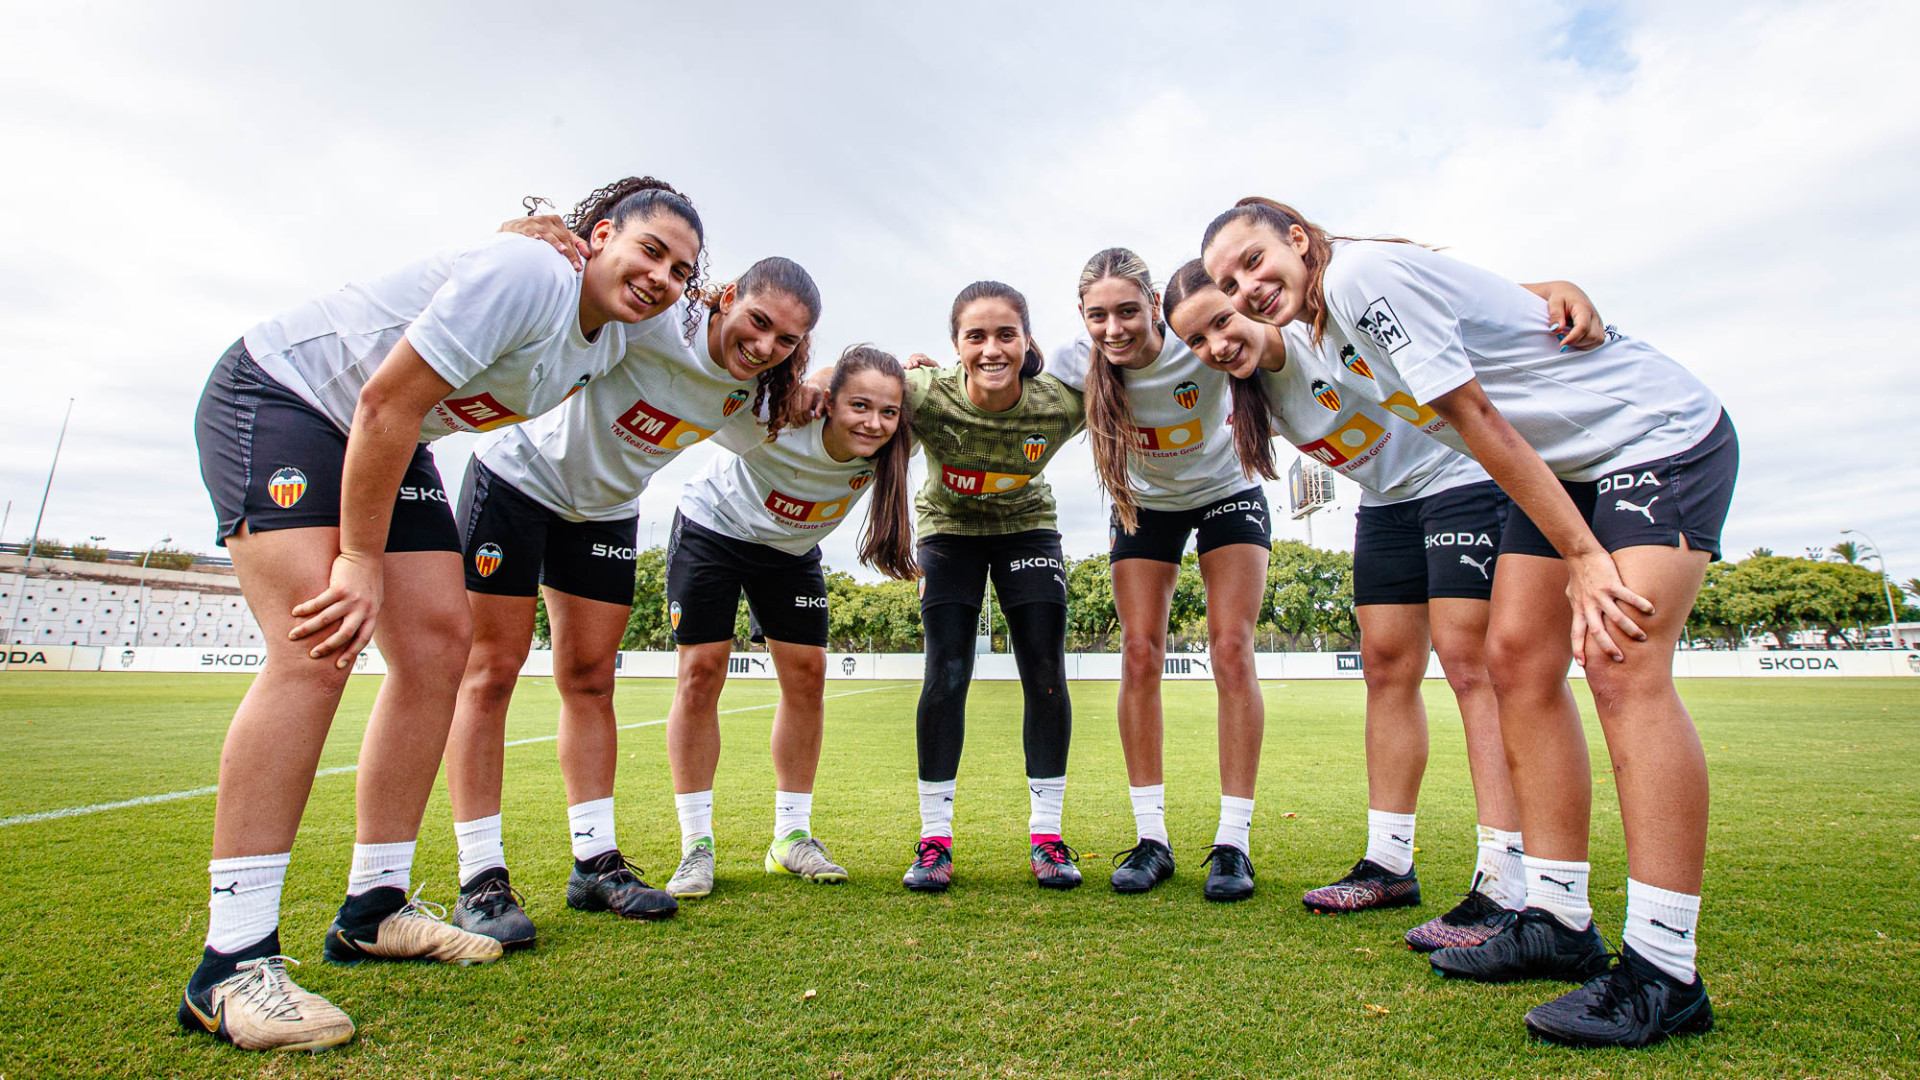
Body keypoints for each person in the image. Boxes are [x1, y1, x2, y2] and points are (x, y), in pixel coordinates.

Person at [183, 175, 699, 1052]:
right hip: (289, 397)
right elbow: (384, 399)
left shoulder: (618, 329)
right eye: (650, 250)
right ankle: (229, 963)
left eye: (681, 269)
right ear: (600, 233)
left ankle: (375, 905)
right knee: (319, 643)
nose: (662, 277)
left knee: (438, 649)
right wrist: (355, 560)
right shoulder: (532, 276)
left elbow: (729, 328)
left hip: (389, 434)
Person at [1202, 199, 1735, 1049]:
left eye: (1255, 263)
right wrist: (1545, 291)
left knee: (1620, 665)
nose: (1247, 289)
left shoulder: (1362, 274)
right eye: (1230, 283)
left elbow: (1476, 419)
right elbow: (1469, 302)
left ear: (1298, 238)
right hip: (1570, 464)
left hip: (1653, 436)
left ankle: (1665, 968)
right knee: (1518, 662)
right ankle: (1558, 920)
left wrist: (1589, 559)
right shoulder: (1329, 326)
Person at [1162, 259, 1596, 948]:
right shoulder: (1248, 396)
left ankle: (1503, 881)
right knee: (1387, 669)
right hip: (1386, 505)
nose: (1216, 344)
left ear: (1247, 301)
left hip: (1461, 478)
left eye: (1222, 320)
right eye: (1197, 339)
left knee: (1468, 664)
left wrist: (1554, 291)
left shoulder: (1315, 322)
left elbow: (1449, 298)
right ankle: (1390, 860)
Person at [439, 216, 820, 943]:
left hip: (605, 514)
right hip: (516, 482)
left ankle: (594, 861)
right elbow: (586, 283)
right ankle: (481, 876)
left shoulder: (746, 396)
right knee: (490, 673)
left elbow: (790, 427)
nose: (765, 346)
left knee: (589, 681)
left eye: (787, 341)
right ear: (728, 295)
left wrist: (821, 389)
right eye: (759, 322)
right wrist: (537, 230)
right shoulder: (654, 325)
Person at [1042, 248, 1269, 901]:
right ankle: (1152, 840)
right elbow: (998, 375)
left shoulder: (1198, 342)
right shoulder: (1072, 363)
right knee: (1139, 653)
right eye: (1097, 316)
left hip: (1229, 489)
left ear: (1154, 309)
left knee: (1231, 649)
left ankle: (1233, 843)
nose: (1113, 328)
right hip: (1143, 506)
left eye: (1127, 312)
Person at [656, 345, 919, 899]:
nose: (874, 423)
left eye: (888, 412)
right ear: (829, 401)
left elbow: (955, 390)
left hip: (791, 551)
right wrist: (813, 379)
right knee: (701, 672)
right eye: (860, 406)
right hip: (715, 528)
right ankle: (696, 845)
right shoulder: (788, 414)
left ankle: (790, 837)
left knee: (806, 676)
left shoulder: (889, 446)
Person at [900, 281, 1087, 893]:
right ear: (954, 346)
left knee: (1045, 670)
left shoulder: (1058, 403)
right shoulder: (923, 395)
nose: (991, 349)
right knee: (947, 672)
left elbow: (1132, 378)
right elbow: (850, 380)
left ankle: (1048, 837)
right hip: (949, 530)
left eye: (1006, 334)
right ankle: (934, 841)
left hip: (1027, 527)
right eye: (975, 336)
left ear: (1026, 340)